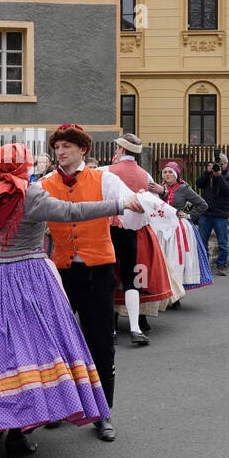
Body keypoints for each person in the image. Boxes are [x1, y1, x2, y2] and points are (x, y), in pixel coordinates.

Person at [0, 143, 143, 458]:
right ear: (21, 167)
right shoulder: (29, 193)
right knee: (30, 353)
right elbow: (71, 212)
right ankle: (17, 432)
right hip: (26, 276)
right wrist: (119, 204)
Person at [39, 124, 139, 441]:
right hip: (63, 272)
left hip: (98, 270)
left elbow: (125, 199)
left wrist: (133, 201)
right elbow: (24, 213)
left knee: (100, 344)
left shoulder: (103, 179)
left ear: (83, 150)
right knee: (57, 344)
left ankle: (102, 413)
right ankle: (59, 408)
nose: (60, 151)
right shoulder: (44, 184)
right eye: (57, 147)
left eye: (67, 146)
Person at [106, 133, 178, 343]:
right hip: (134, 231)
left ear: (121, 150)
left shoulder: (106, 172)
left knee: (108, 278)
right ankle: (136, 328)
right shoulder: (145, 175)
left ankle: (110, 327)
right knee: (132, 278)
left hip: (109, 229)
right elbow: (154, 204)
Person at [152, 161, 212, 296]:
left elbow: (203, 204)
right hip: (161, 227)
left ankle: (176, 294)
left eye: (170, 172)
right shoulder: (159, 188)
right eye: (165, 172)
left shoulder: (184, 188)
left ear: (176, 174)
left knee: (175, 260)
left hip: (177, 229)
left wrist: (189, 215)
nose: (167, 174)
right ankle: (164, 292)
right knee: (163, 260)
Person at [196, 153, 229, 275]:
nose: (219, 166)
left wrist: (218, 177)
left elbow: (228, 191)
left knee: (222, 242)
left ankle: (221, 265)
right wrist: (207, 173)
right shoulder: (209, 174)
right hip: (206, 212)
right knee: (202, 241)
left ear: (226, 164)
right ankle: (204, 265)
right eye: (217, 164)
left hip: (220, 214)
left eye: (221, 164)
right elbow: (198, 184)